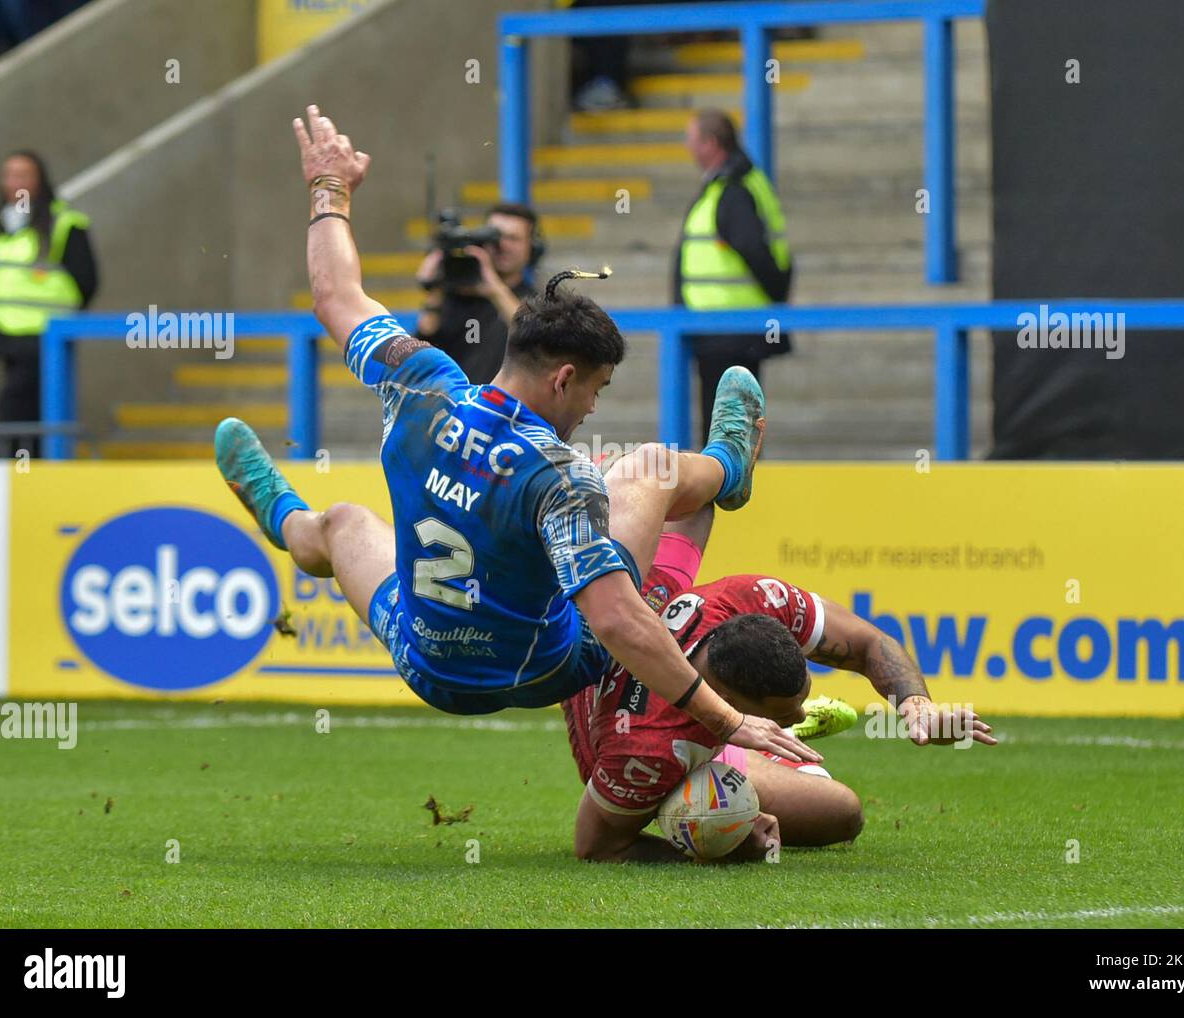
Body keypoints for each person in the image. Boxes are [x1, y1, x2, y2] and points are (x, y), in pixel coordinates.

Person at [214, 105, 817, 766]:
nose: (590, 408)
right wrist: (726, 721)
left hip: (424, 662)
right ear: (564, 378)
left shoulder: (420, 382)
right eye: (596, 388)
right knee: (646, 469)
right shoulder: (560, 475)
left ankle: (282, 516)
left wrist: (329, 189)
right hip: (544, 670)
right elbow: (615, 622)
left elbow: (334, 295)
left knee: (343, 525)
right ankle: (727, 467)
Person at [563, 507, 997, 863]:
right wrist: (725, 849)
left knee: (841, 815)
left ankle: (770, 741)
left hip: (703, 725)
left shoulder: (750, 600)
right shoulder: (647, 751)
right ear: (730, 704)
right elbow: (597, 846)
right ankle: (753, 753)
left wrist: (916, 706)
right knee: (826, 815)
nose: (801, 711)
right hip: (644, 743)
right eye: (783, 713)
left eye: (800, 703)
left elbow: (869, 642)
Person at [676, 109, 793, 443]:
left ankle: (728, 493)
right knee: (730, 433)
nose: (687, 146)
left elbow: (756, 252)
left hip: (729, 330)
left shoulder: (733, 190)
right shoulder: (731, 183)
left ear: (710, 144)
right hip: (723, 328)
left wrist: (775, 299)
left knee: (729, 436)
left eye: (692, 139)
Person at [0, 150, 98, 456]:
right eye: (9, 174)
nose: (14, 182)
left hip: (45, 338)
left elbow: (86, 280)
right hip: (9, 338)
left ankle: (27, 479)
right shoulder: (8, 227)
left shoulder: (64, 222)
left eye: (23, 175)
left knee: (23, 413)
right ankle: (22, 479)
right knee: (19, 414)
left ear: (40, 180)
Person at [413, 203, 541, 384]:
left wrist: (494, 288)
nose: (502, 245)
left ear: (533, 248)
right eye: (495, 237)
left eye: (513, 238)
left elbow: (538, 337)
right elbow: (419, 357)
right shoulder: (457, 293)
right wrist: (436, 288)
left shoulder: (542, 301)